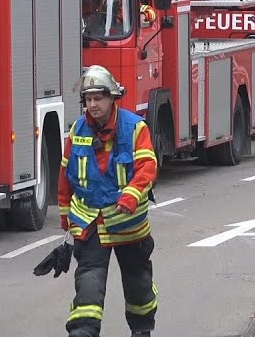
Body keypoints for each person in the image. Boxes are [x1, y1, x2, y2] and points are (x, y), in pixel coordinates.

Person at [58, 65, 159, 337]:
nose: (92, 105)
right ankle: (83, 332)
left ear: (112, 97)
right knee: (88, 285)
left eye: (98, 98)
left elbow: (148, 167)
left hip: (128, 226)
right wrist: (65, 216)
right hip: (90, 224)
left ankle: (141, 330)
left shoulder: (134, 128)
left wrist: (131, 194)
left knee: (138, 285)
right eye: (88, 99)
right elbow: (65, 174)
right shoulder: (77, 130)